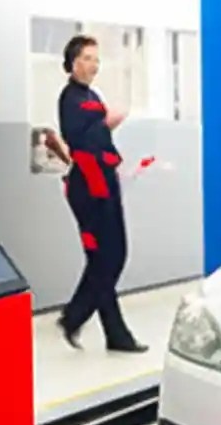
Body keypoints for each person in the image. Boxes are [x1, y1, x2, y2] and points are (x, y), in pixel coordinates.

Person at [45, 34, 147, 353]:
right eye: (87, 58)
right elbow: (82, 140)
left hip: (103, 182)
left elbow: (100, 141)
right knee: (105, 258)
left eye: (96, 59)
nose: (93, 64)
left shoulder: (91, 94)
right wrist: (107, 122)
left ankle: (78, 318)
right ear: (73, 62)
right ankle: (105, 330)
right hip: (87, 188)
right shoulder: (70, 99)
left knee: (111, 256)